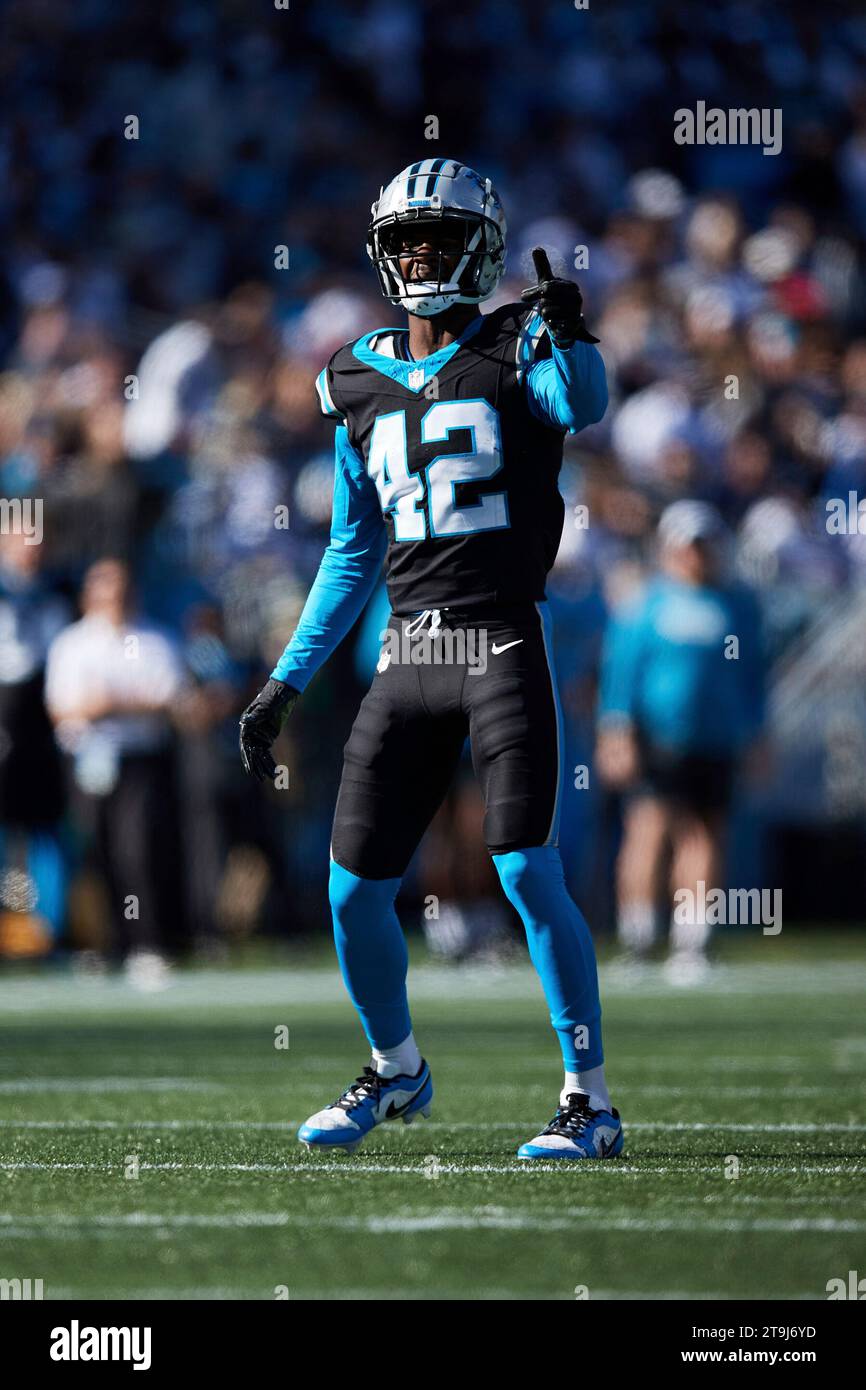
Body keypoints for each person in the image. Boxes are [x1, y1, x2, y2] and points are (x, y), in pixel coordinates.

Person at [240, 159, 620, 1160]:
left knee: (524, 868)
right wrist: (284, 682)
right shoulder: (352, 377)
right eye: (404, 239)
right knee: (352, 891)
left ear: (481, 247)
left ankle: (587, 1096)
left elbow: (579, 402)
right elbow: (349, 551)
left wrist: (573, 333)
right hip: (405, 648)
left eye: (437, 237)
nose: (417, 255)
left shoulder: (514, 345)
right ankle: (395, 1066)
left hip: (499, 633)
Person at [596, 501, 766, 984]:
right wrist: (616, 730)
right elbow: (621, 671)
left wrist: (757, 732)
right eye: (688, 546)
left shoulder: (737, 604)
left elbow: (754, 675)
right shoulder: (648, 603)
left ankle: (692, 939)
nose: (697, 555)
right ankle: (638, 936)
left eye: (704, 545)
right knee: (648, 830)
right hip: (657, 738)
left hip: (715, 739)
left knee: (706, 834)